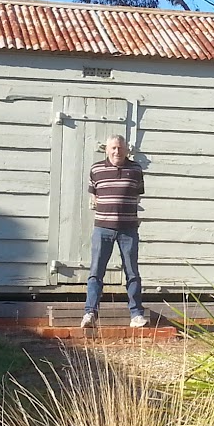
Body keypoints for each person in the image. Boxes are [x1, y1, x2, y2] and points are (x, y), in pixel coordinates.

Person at [81, 134, 147, 328]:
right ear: (106, 150)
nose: (117, 151)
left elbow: (137, 195)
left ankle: (136, 314)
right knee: (96, 272)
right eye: (113, 148)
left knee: (132, 272)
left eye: (120, 148)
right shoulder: (96, 169)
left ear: (126, 149)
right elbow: (93, 197)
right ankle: (90, 313)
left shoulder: (135, 169)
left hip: (128, 230)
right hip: (103, 229)